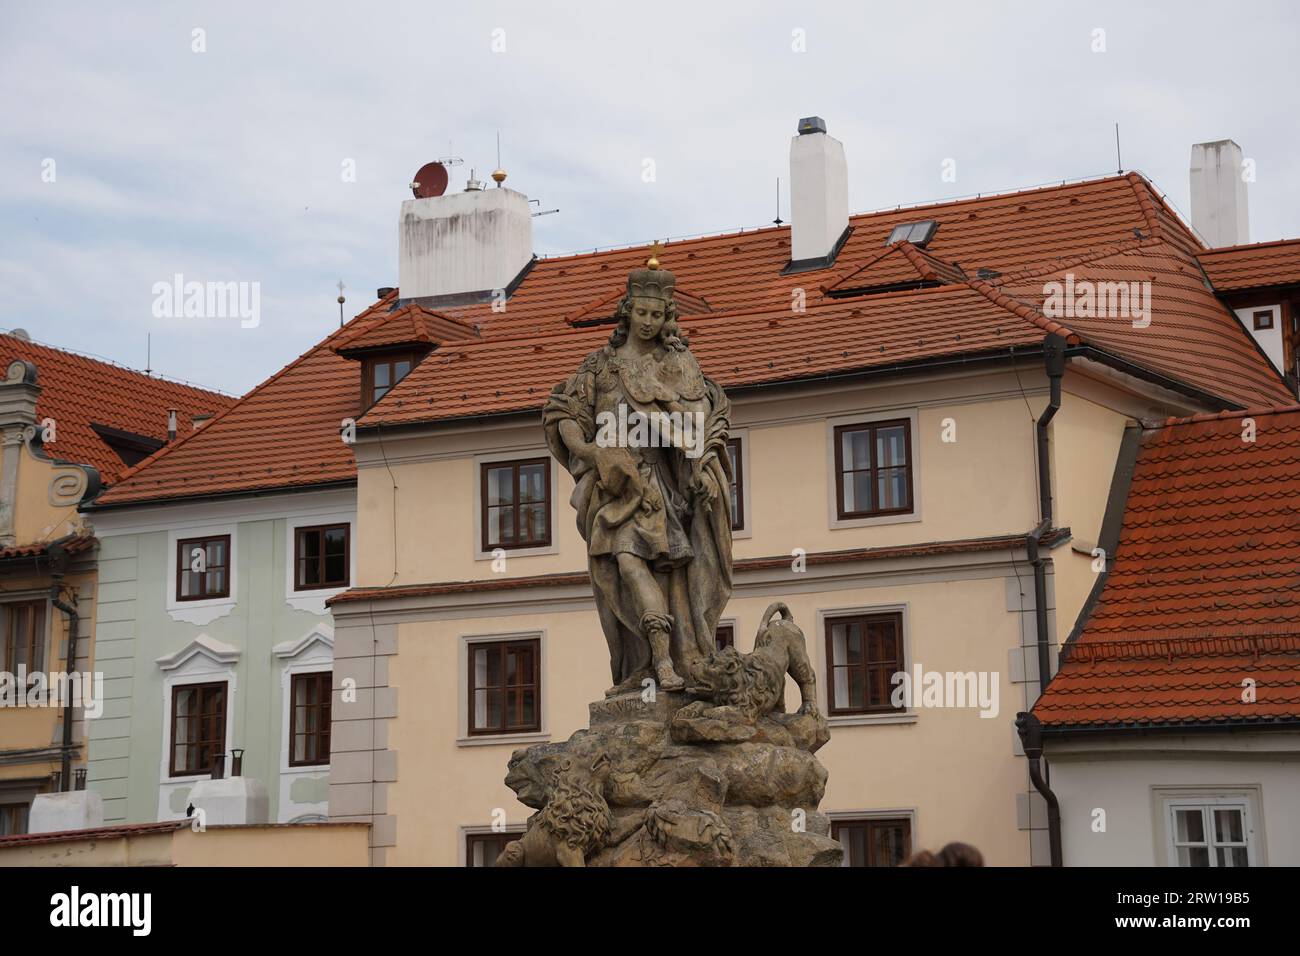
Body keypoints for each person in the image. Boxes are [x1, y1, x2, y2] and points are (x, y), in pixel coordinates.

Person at [543, 251, 732, 696]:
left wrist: (701, 468)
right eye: (641, 312)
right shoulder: (599, 365)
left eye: (657, 314)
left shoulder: (676, 364)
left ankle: (668, 663)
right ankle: (643, 664)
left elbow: (696, 424)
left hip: (657, 490)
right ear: (627, 311)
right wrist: (589, 449)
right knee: (619, 575)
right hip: (610, 491)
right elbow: (566, 413)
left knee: (643, 568)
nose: (647, 322)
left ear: (668, 316)